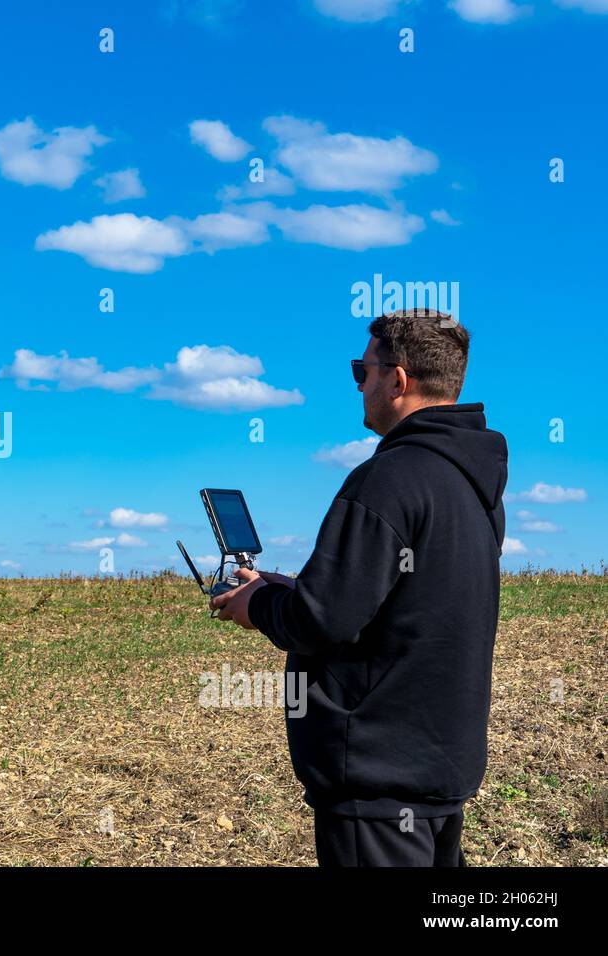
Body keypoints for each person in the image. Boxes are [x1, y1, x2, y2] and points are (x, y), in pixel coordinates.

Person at [211, 308, 508, 867]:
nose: (359, 384)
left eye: (361, 370)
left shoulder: (388, 477)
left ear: (398, 380)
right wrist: (294, 588)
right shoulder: (474, 485)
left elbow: (322, 620)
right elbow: (404, 603)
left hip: (378, 778)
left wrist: (261, 603)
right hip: (440, 768)